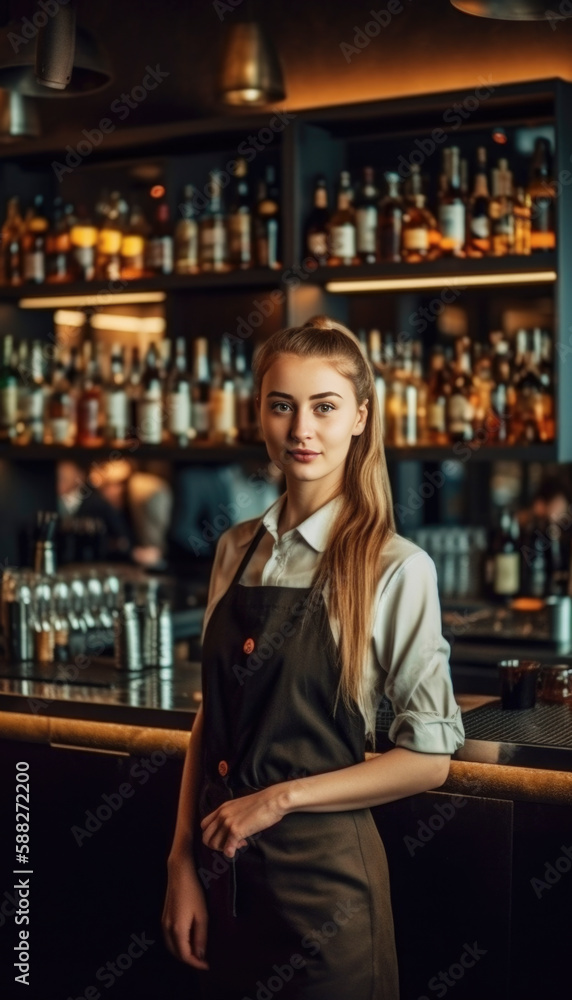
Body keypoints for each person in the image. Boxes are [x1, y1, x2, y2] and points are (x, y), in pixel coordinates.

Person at [162, 322, 465, 999]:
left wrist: (275, 800)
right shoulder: (236, 549)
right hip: (222, 886)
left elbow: (430, 758)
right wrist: (180, 860)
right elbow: (211, 720)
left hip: (329, 905)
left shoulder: (394, 567)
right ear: (261, 413)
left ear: (359, 417)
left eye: (325, 406)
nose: (302, 427)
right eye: (282, 404)